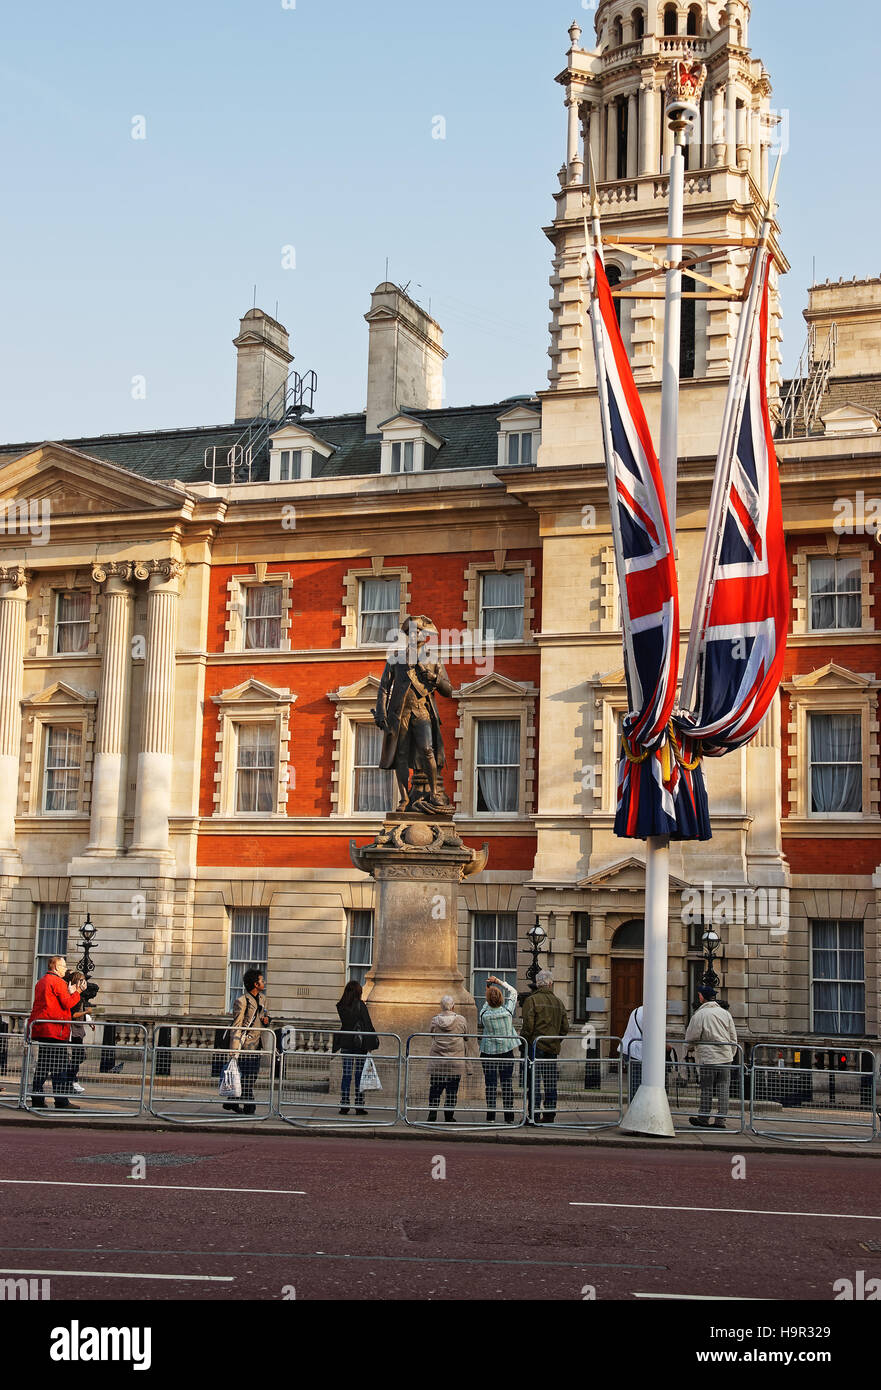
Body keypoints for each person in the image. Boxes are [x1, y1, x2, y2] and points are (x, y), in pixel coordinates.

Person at [28, 956, 81, 1109]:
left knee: (43, 1066)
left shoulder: (41, 981)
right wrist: (76, 992)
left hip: (43, 1029)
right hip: (55, 1031)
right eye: (63, 966)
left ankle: (37, 1099)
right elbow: (67, 1003)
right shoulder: (57, 982)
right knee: (60, 1067)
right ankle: (61, 1101)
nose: (65, 969)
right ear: (56, 967)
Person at [685, 986, 739, 1130]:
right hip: (725, 1057)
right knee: (723, 1090)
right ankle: (720, 1120)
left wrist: (689, 1048)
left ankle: (703, 1118)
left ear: (702, 997)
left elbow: (691, 1036)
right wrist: (731, 1054)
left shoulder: (700, 1014)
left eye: (699, 995)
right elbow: (733, 1037)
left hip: (708, 1058)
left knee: (707, 1088)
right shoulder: (725, 1013)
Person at [521, 970, 570, 1124]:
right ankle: (549, 1115)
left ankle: (533, 1115)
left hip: (536, 1046)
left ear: (538, 983)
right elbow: (565, 1028)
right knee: (550, 1082)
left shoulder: (532, 1000)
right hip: (552, 1047)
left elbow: (528, 1026)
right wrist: (556, 1040)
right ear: (550, 984)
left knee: (534, 1082)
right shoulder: (559, 1002)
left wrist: (526, 1042)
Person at [226, 969, 270, 1116]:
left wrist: (267, 1021)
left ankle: (231, 1101)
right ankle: (249, 1105)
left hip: (257, 1044)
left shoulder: (263, 999)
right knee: (248, 1075)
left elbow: (264, 1018)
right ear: (255, 984)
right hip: (244, 1045)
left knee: (252, 1074)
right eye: (262, 980)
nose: (264, 983)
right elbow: (236, 1026)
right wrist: (234, 1049)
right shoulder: (242, 1001)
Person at [332, 980, 379, 1116]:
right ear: (358, 991)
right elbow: (367, 1024)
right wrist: (371, 1043)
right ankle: (359, 1104)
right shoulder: (360, 1005)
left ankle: (344, 1104)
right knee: (359, 1074)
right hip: (359, 1045)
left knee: (346, 1075)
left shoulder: (341, 1006)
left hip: (346, 1043)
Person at [479, 975, 520, 1124]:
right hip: (506, 1051)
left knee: (490, 1085)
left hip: (488, 1052)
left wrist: (488, 992)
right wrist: (498, 982)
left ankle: (491, 1117)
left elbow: (487, 1004)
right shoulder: (507, 1012)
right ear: (501, 999)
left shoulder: (484, 1015)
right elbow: (514, 992)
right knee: (506, 1083)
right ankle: (509, 1117)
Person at [426, 995, 468, 1122]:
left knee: (435, 1088)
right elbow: (466, 1036)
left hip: (438, 1061)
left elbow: (431, 1034)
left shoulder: (435, 1020)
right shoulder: (461, 1020)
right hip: (455, 1061)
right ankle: (449, 1116)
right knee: (452, 1090)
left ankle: (432, 1113)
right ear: (453, 1006)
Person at [64, 970, 98, 1095]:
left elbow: (82, 1012)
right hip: (73, 1031)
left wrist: (89, 1021)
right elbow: (73, 1014)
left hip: (78, 1030)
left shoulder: (80, 996)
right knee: (77, 1057)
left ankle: (72, 1080)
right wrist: (86, 1013)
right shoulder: (74, 995)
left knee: (78, 1057)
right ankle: (71, 1081)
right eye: (82, 980)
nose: (85, 983)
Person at [619, 1004, 644, 1103]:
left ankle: (634, 1105)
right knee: (636, 1082)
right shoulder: (650, 1013)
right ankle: (635, 1106)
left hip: (630, 1049)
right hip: (636, 1051)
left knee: (635, 1081)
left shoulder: (638, 1010)